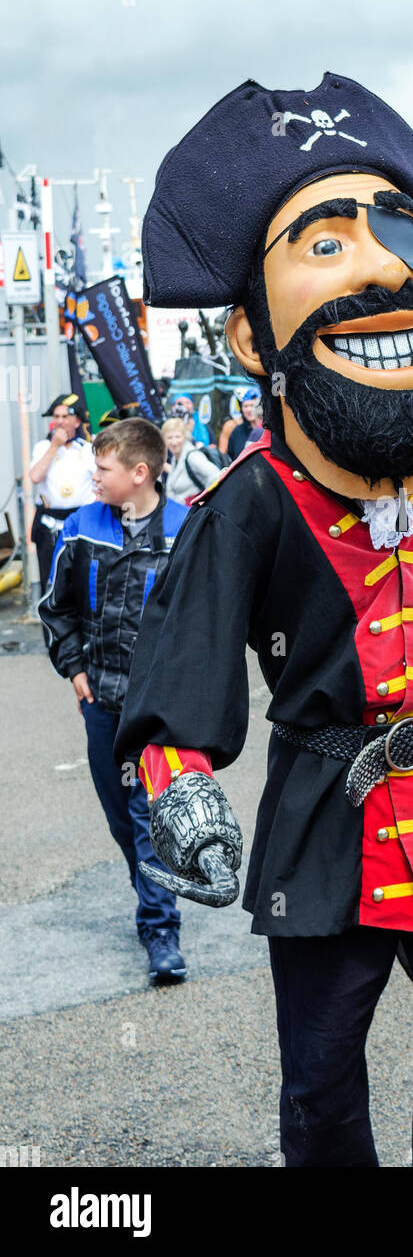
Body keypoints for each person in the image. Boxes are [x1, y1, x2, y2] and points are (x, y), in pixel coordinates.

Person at [116, 74, 413, 1168]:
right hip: (325, 809)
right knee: (318, 1074)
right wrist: (181, 792)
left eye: (403, 227)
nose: (387, 263)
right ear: (255, 339)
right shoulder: (249, 501)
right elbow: (186, 664)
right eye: (326, 242)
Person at [38, 419, 190, 981]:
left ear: (139, 472)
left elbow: (202, 625)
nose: (92, 477)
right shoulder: (79, 527)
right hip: (100, 704)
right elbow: (56, 608)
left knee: (148, 818)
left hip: (157, 712)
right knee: (122, 820)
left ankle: (160, 931)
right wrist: (74, 670)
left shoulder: (186, 530)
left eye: (102, 469)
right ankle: (153, 893)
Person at [28, 393, 96, 595]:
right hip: (50, 521)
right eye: (56, 417)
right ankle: (49, 626)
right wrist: (54, 447)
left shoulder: (87, 449)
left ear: (77, 421)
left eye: (65, 417)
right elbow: (35, 476)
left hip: (81, 519)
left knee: (80, 581)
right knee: (49, 581)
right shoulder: (42, 447)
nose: (59, 421)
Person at [161, 417, 223, 503]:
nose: (174, 442)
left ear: (185, 437)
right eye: (169, 438)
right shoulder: (176, 458)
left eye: (177, 437)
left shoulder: (192, 456)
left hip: (193, 513)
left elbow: (216, 476)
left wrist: (204, 502)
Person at [226, 387, 264, 460]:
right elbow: (230, 456)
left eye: (252, 405)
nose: (248, 410)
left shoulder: (269, 431)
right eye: (245, 406)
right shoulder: (237, 431)